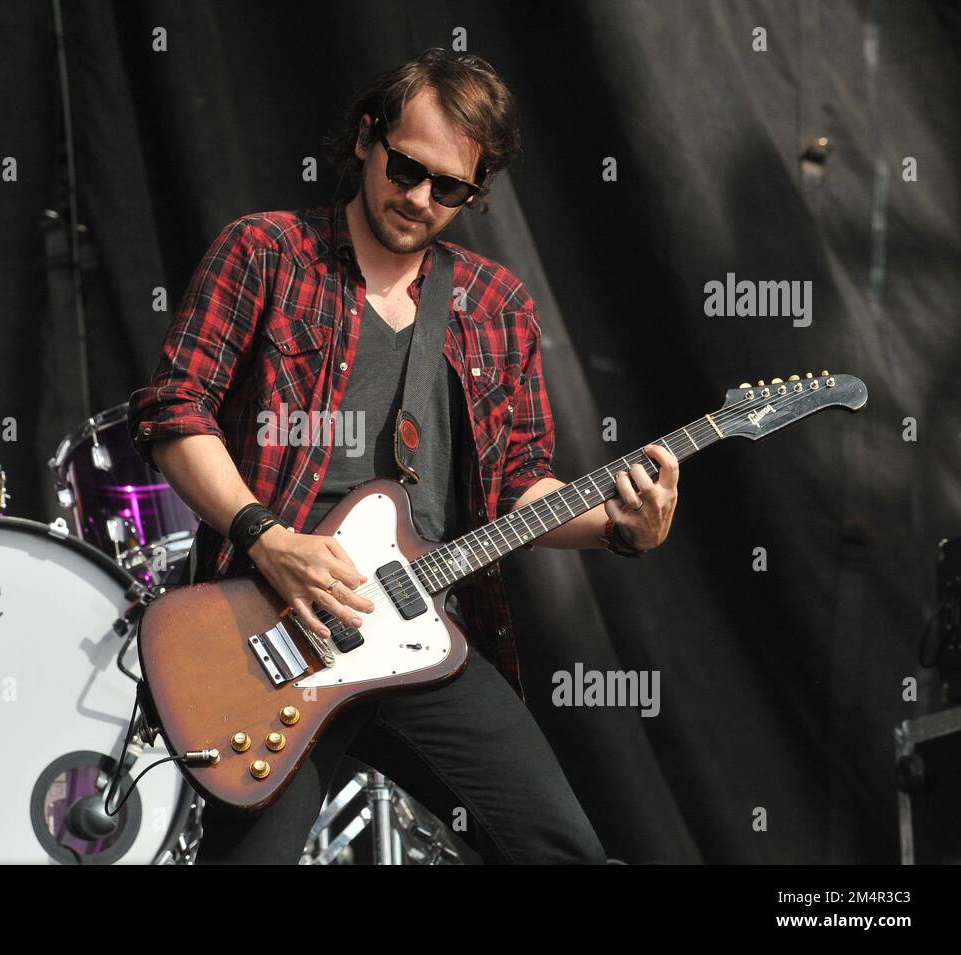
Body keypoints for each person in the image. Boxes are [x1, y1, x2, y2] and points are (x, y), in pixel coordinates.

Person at [128, 49, 680, 864]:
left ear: (476, 191)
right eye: (407, 167)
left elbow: (519, 485)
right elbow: (175, 413)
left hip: (423, 634)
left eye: (449, 187)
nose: (419, 198)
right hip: (272, 629)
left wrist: (620, 527)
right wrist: (266, 538)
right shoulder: (267, 252)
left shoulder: (496, 306)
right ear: (366, 137)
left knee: (562, 850)